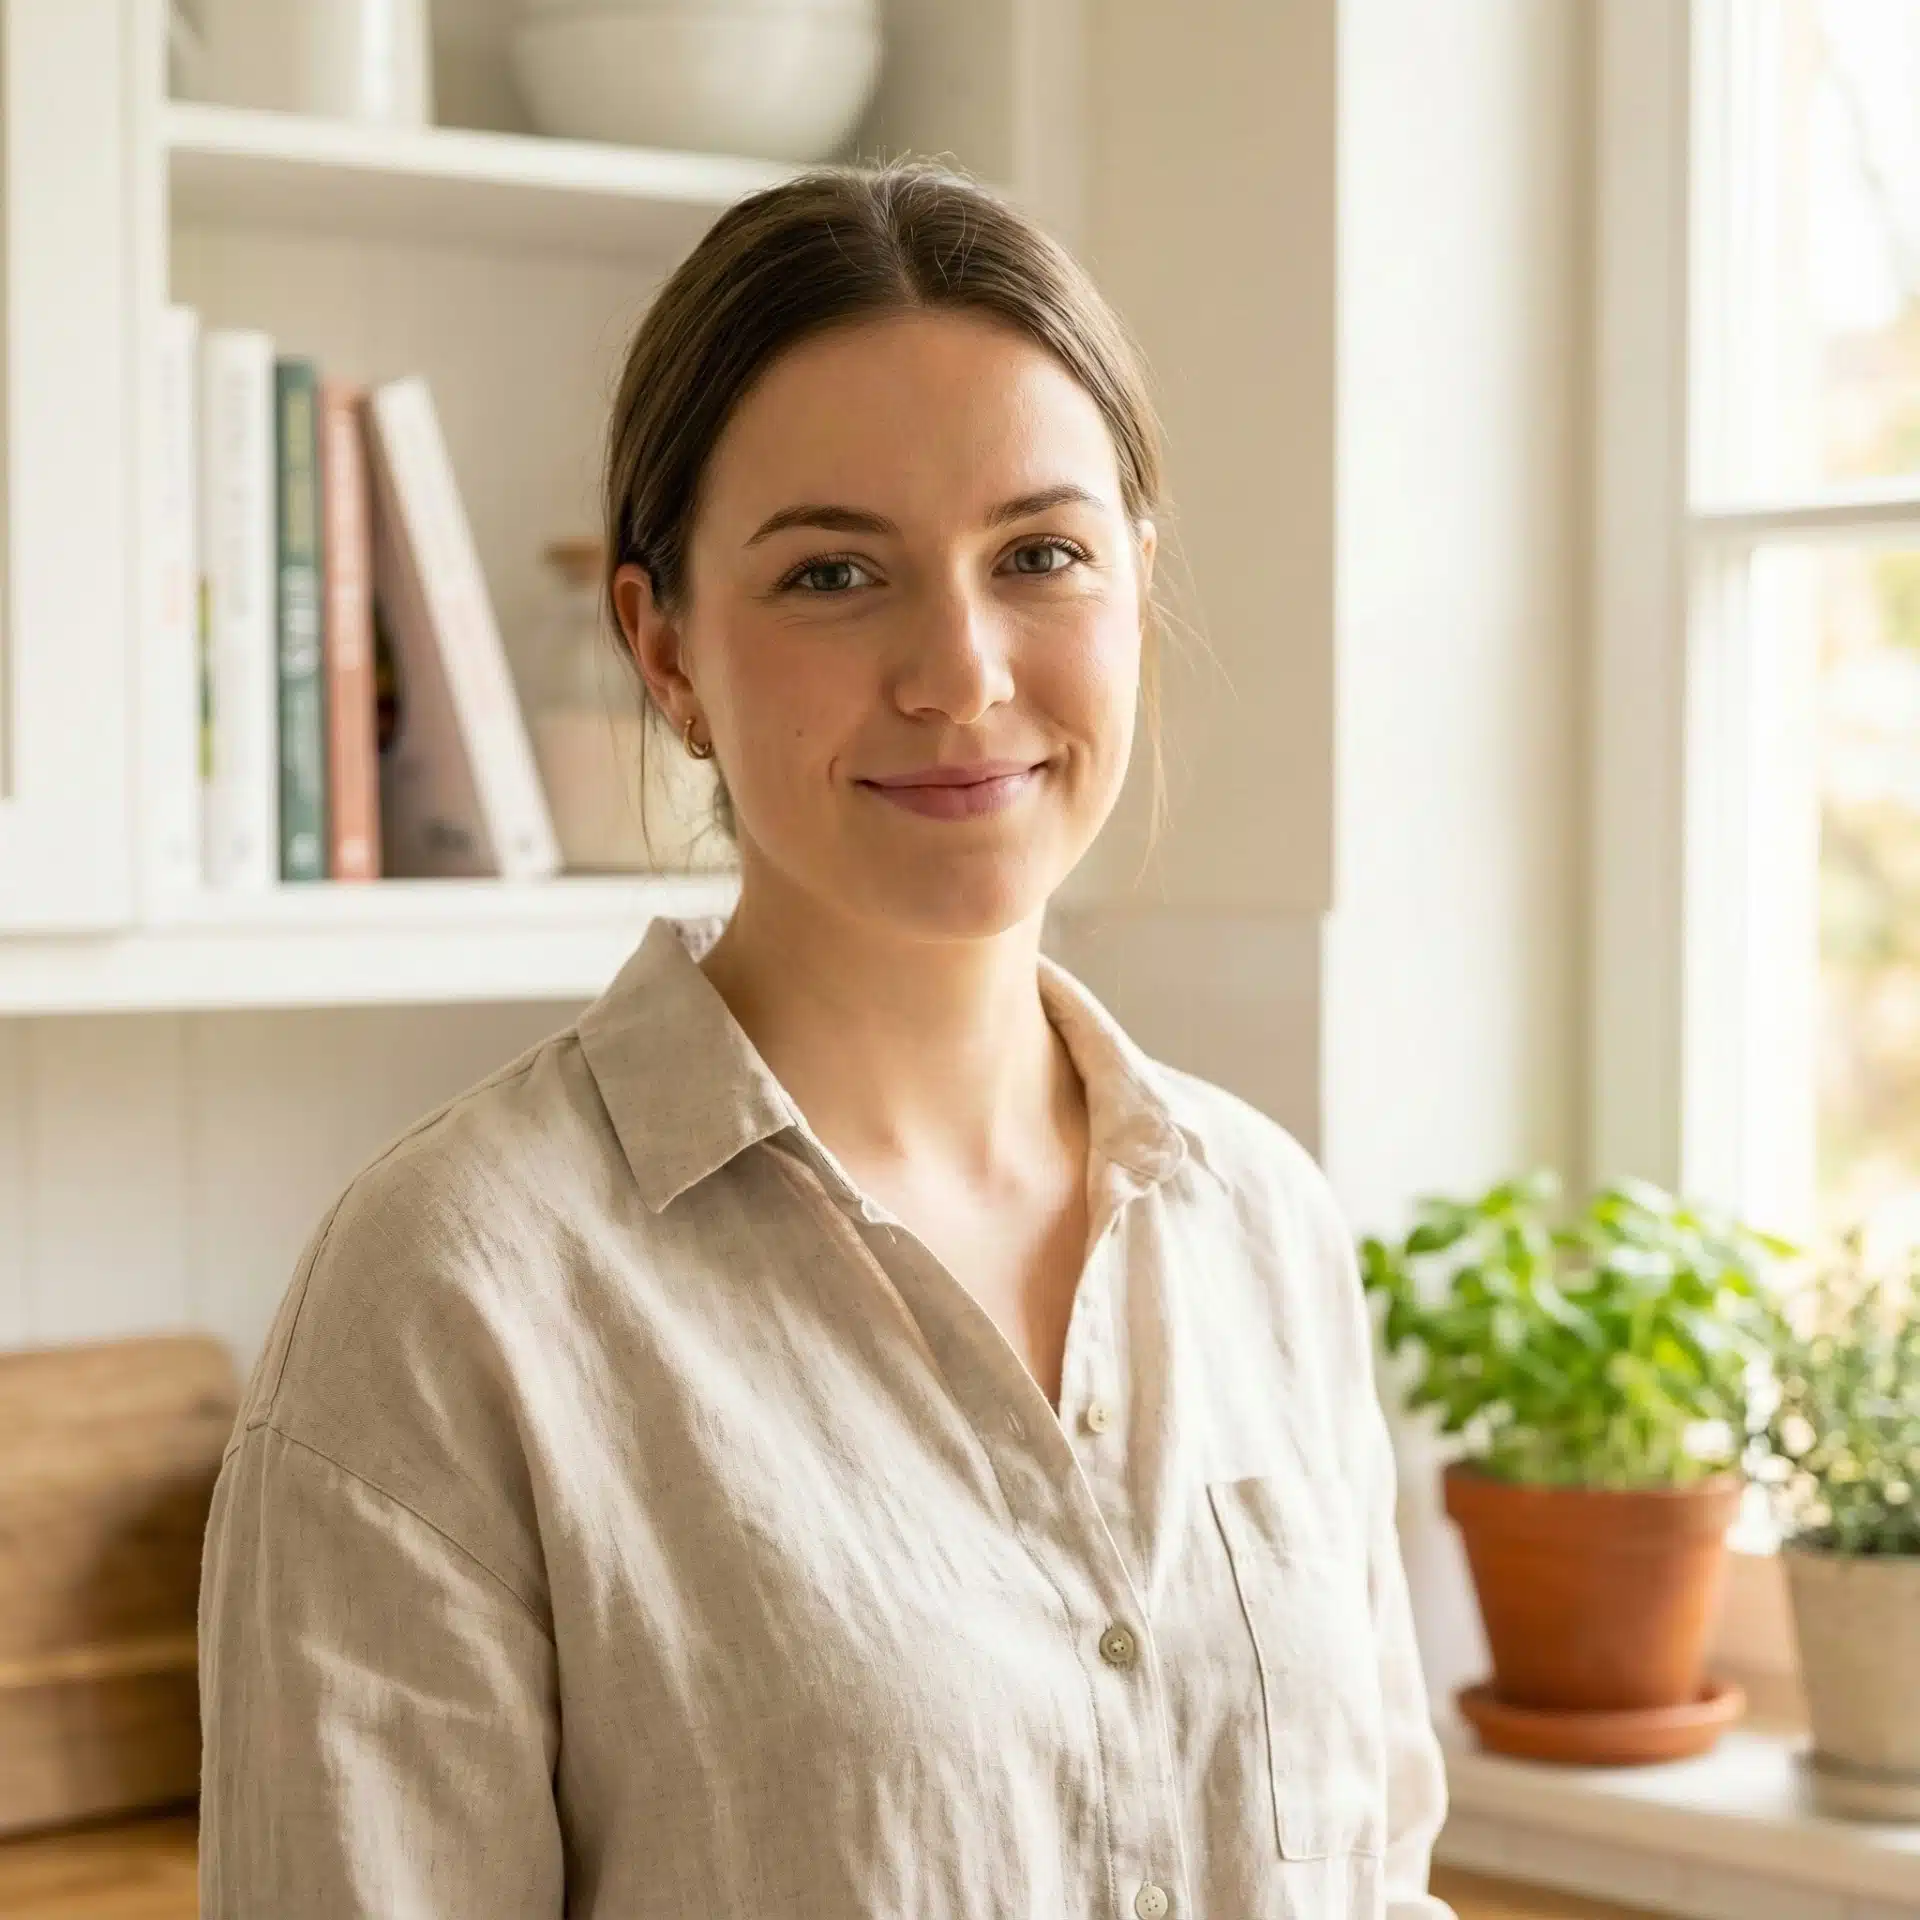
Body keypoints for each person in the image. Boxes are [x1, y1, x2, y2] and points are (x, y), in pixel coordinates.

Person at [197, 158, 1451, 1920]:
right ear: (664, 651)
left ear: (1137, 589)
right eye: (834, 573)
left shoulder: (1264, 1225)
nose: (960, 671)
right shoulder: (446, 1298)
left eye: (1040, 555)